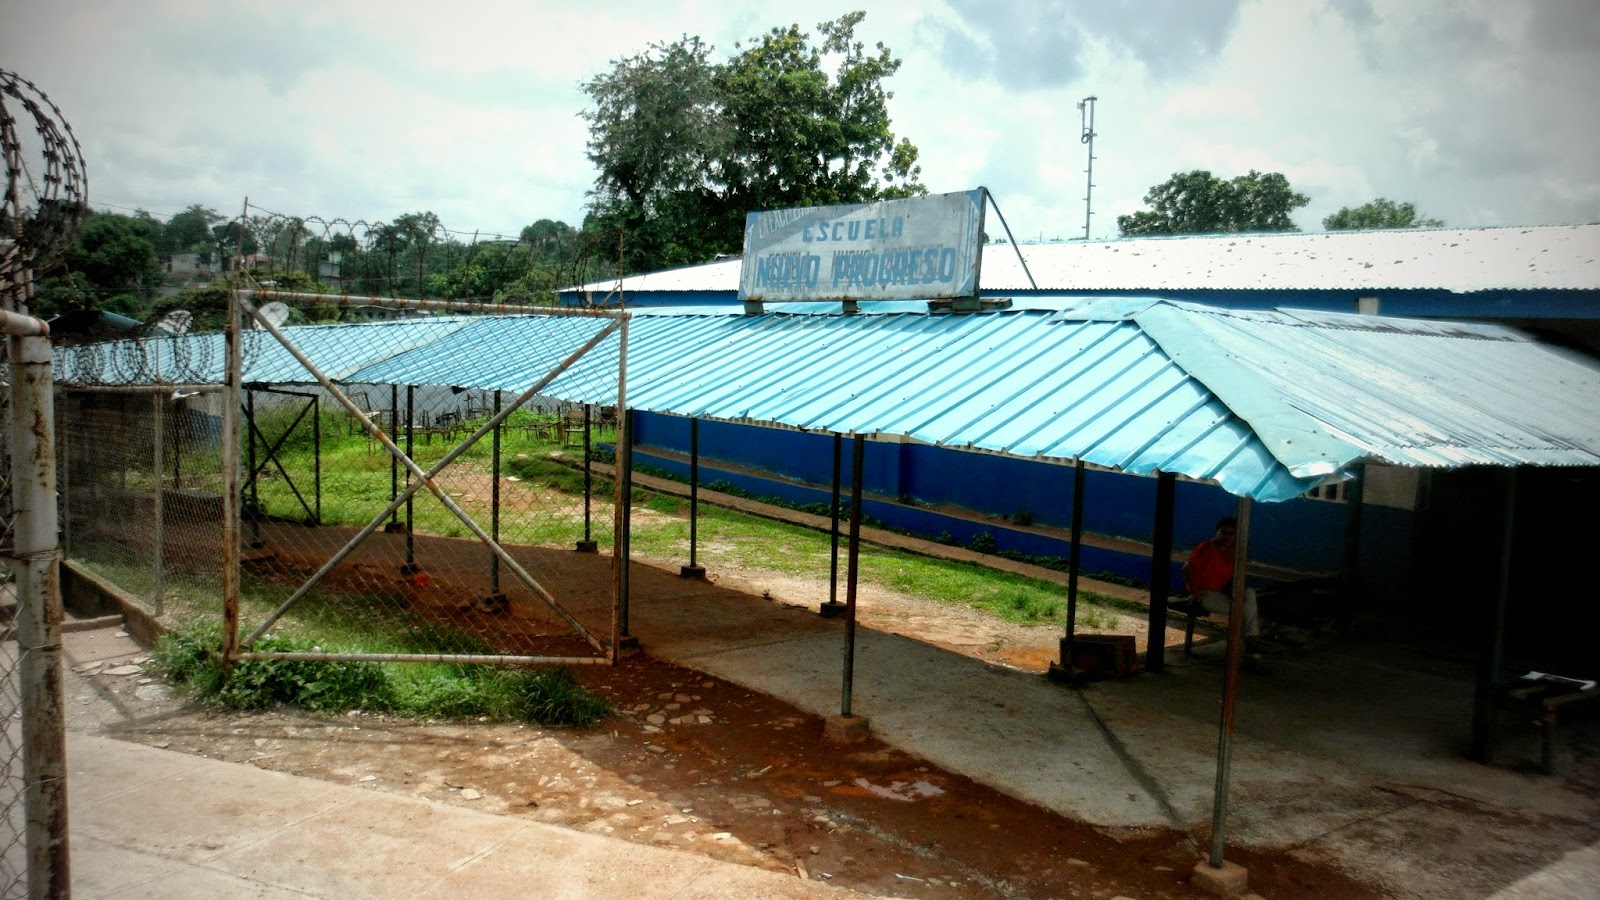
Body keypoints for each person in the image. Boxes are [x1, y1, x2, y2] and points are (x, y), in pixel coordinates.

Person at [1182, 517, 1265, 653]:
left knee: (1249, 594)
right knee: (1245, 612)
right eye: (1223, 532)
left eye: (1231, 533)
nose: (1226, 536)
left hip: (1221, 593)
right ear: (1217, 532)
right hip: (1206, 594)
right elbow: (1187, 568)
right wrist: (1194, 594)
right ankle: (1250, 644)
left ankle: (1251, 640)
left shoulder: (1234, 551)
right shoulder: (1207, 547)